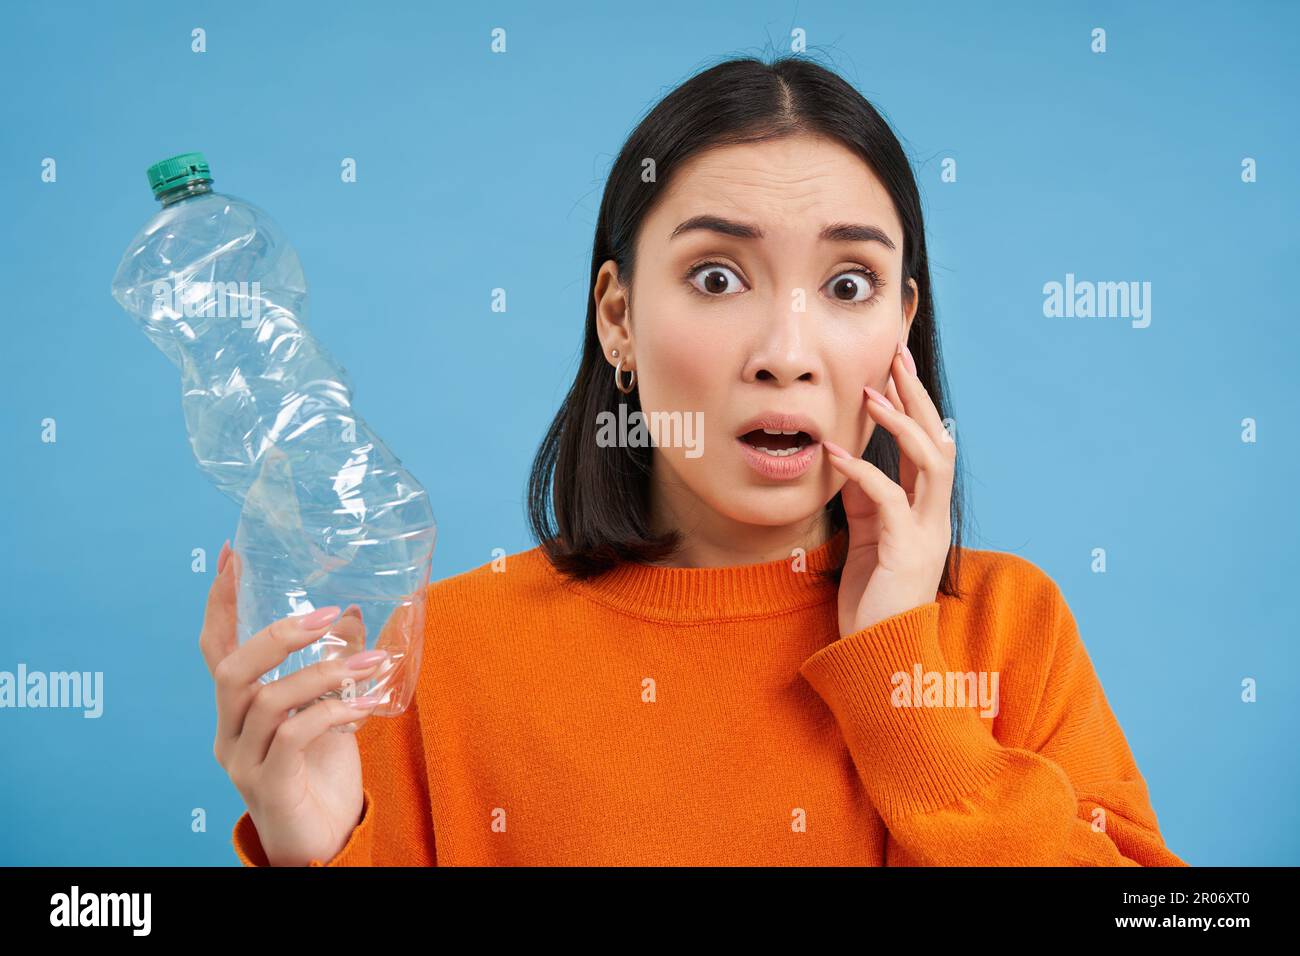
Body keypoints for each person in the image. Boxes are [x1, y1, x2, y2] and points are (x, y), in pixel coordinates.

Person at [205, 54, 1187, 867]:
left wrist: (900, 682)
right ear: (618, 317)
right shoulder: (444, 658)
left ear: (902, 325)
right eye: (716, 276)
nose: (785, 350)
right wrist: (317, 847)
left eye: (849, 282)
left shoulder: (1007, 630)